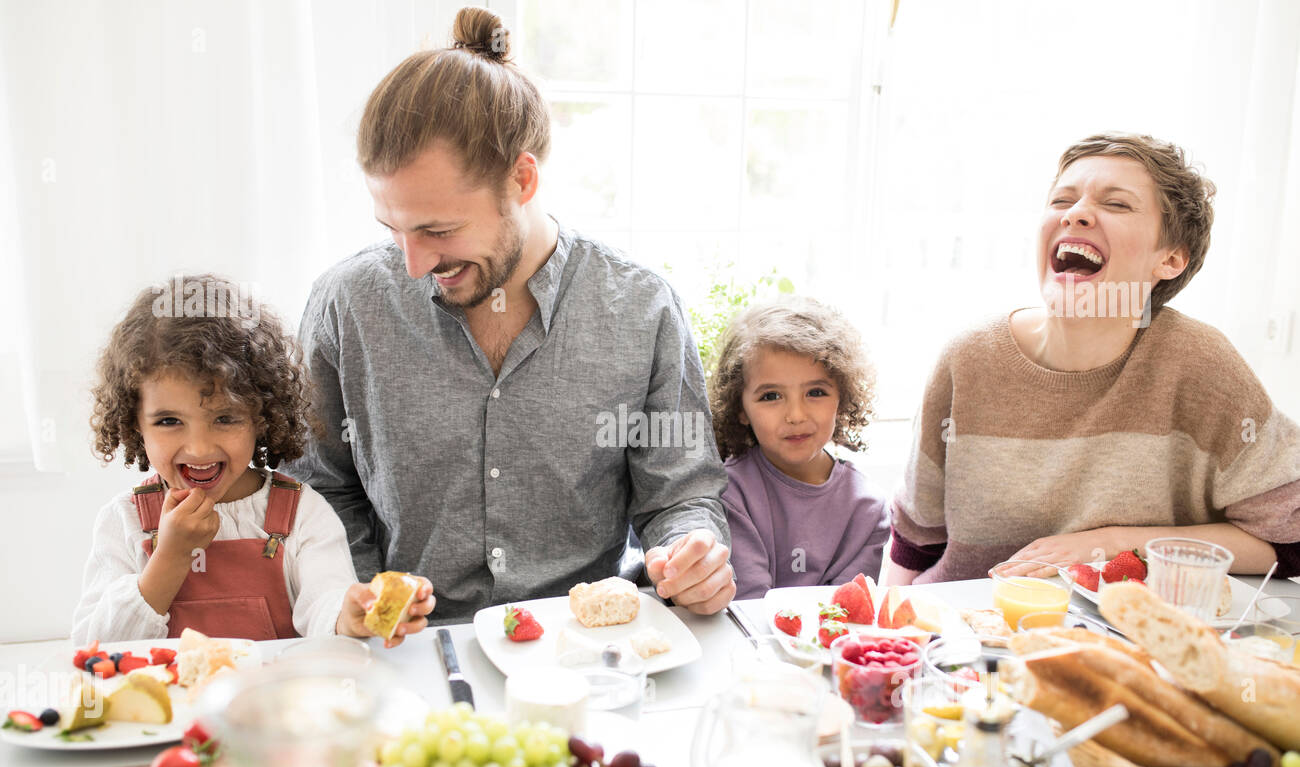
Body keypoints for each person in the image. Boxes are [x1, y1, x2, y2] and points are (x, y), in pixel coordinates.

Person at [285, 7, 734, 621]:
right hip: (400, 655)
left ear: (522, 179)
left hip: (582, 651)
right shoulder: (347, 304)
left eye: (439, 230)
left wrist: (691, 553)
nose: (414, 265)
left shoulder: (642, 308)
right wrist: (350, 600)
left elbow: (678, 497)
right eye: (394, 230)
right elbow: (318, 489)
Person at [889, 132, 1300, 584]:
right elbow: (913, 544)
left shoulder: (1200, 363)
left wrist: (1111, 542)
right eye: (1061, 199)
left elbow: (1289, 542)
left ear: (1170, 259)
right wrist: (877, 640)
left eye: (1117, 204)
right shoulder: (968, 357)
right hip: (965, 638)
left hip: (1119, 640)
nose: (1076, 213)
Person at [73, 275, 434, 645]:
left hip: (273, 699)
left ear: (262, 416)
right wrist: (170, 556)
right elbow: (97, 645)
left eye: (225, 418)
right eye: (169, 421)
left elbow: (325, 602)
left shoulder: (300, 513)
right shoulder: (126, 521)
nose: (198, 448)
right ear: (134, 422)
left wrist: (351, 614)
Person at [709, 297, 890, 598]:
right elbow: (749, 607)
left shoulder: (867, 507)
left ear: (842, 397)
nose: (796, 415)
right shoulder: (728, 492)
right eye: (771, 396)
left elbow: (846, 615)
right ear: (740, 408)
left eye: (815, 392)